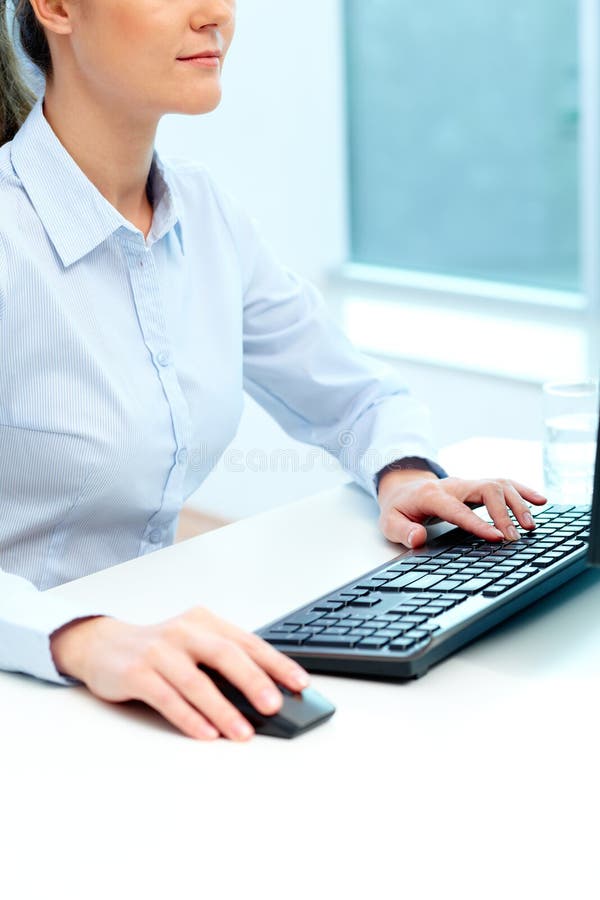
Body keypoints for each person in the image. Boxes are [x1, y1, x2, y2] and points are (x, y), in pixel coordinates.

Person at [0, 0, 546, 742]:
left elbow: (354, 396)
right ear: (59, 8)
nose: (216, 13)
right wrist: (77, 634)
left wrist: (407, 477)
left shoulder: (204, 213)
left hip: (147, 665)